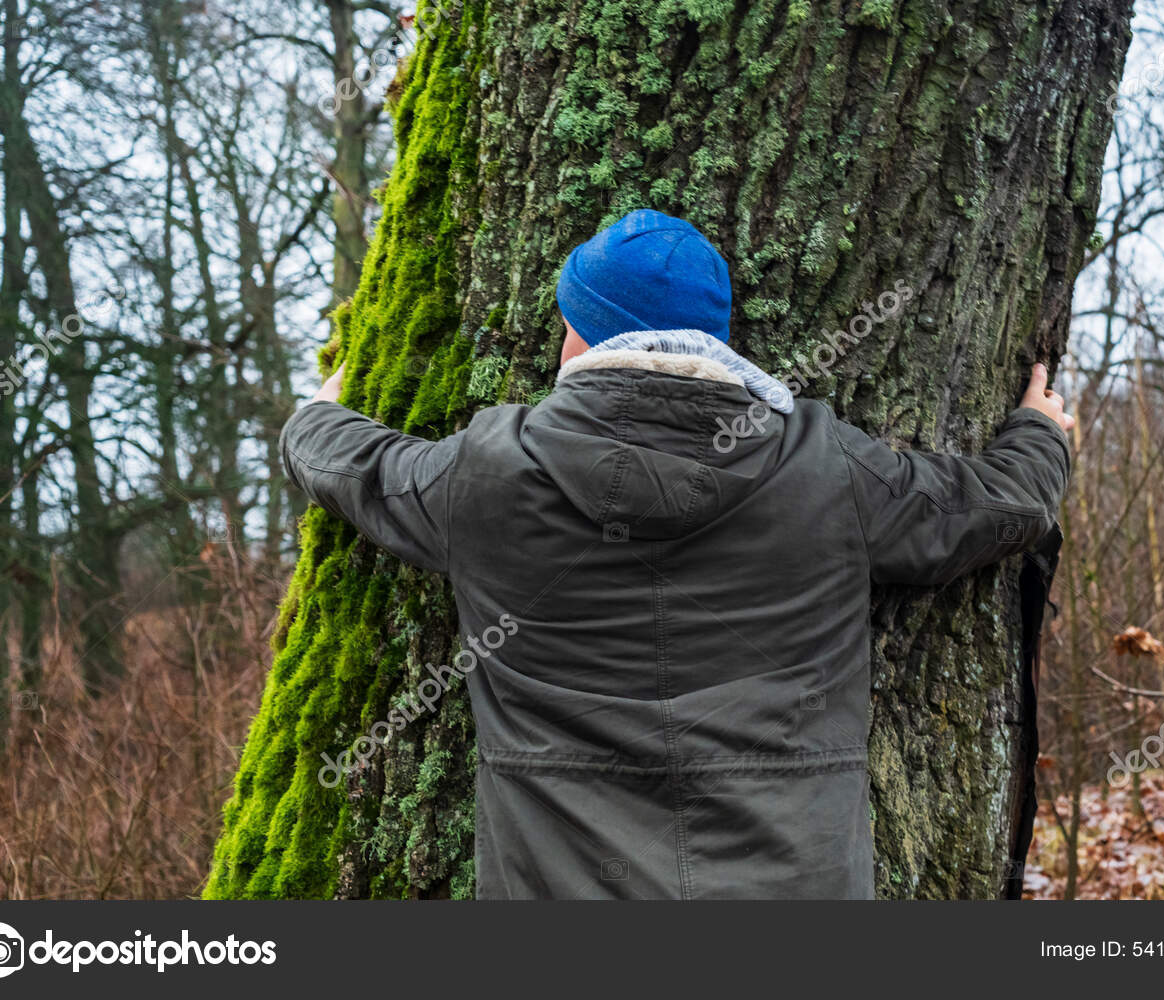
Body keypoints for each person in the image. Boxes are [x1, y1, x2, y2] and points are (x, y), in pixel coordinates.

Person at [282, 209, 1074, 898]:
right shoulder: (824, 468)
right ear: (712, 335)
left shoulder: (489, 475)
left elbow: (370, 474)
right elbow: (994, 507)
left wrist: (314, 419)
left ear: (581, 332)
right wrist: (1039, 431)